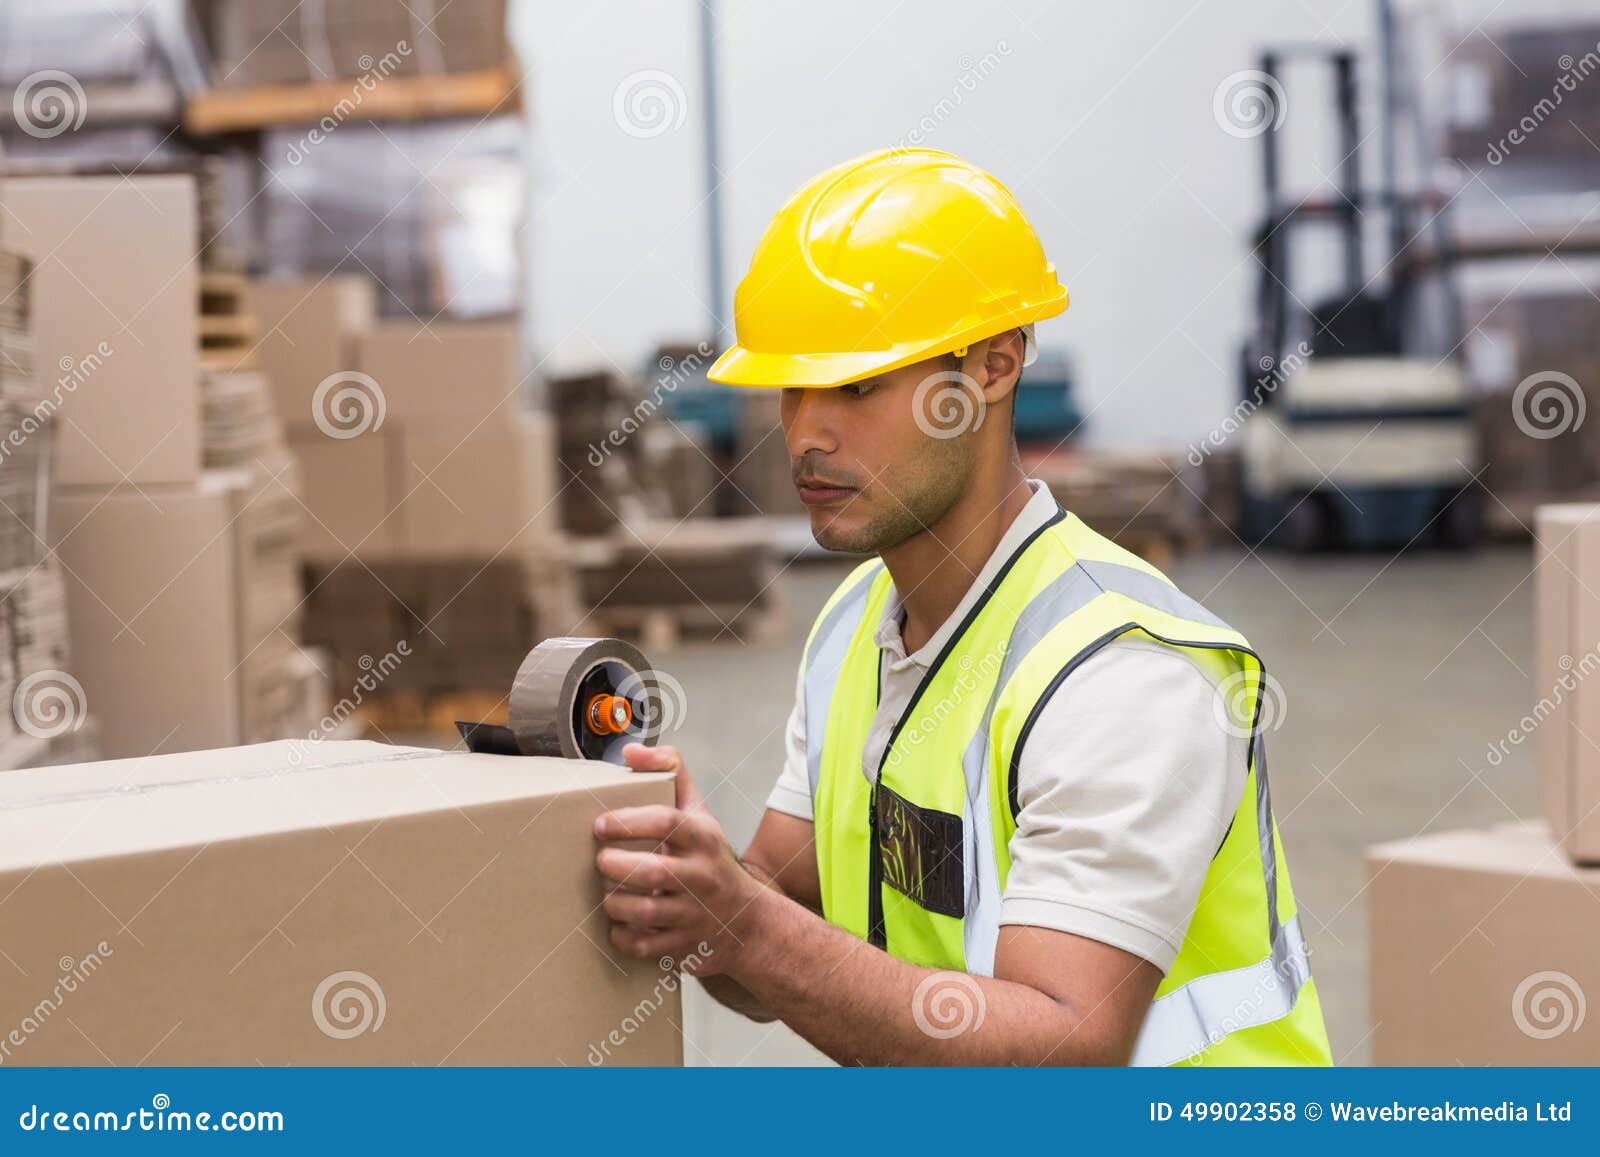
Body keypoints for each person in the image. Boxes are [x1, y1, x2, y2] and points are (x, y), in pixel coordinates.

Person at [592, 148, 1331, 1065]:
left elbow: (1066, 1047)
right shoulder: (854, 628)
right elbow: (769, 936)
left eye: (858, 386)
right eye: (793, 387)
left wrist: (743, 924)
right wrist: (689, 886)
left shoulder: (1122, 670)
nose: (806, 434)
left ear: (993, 366)